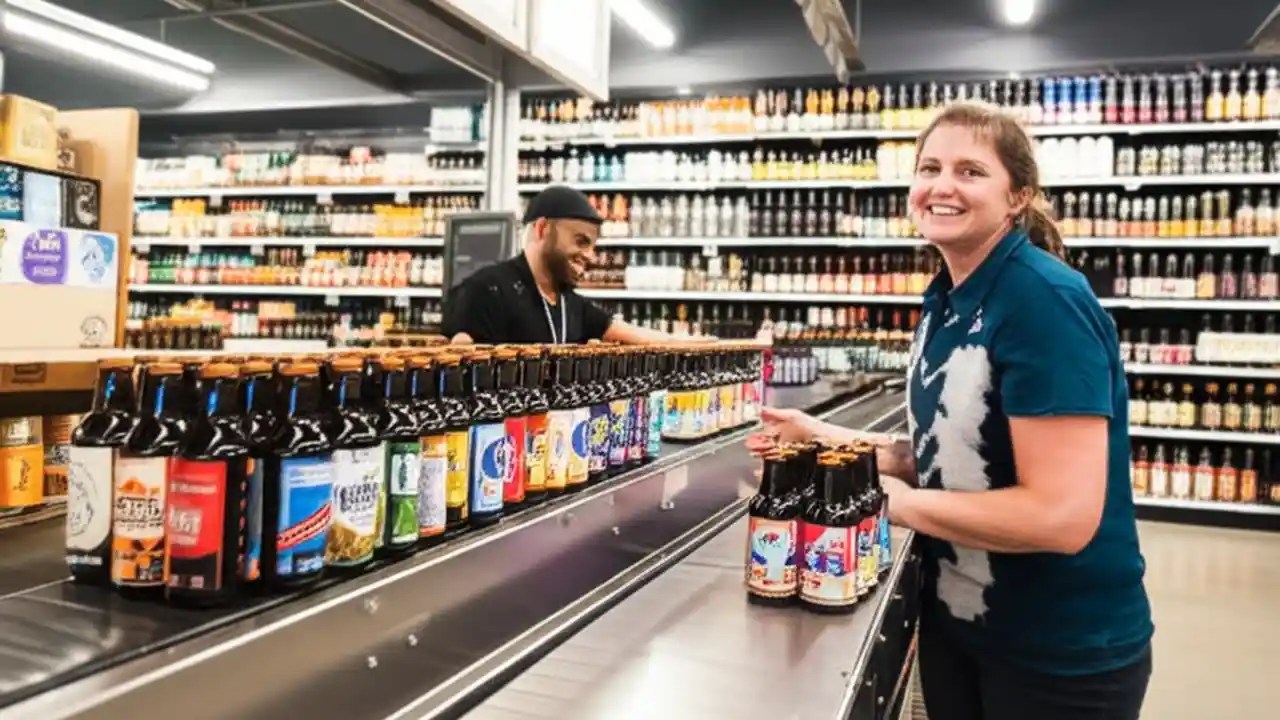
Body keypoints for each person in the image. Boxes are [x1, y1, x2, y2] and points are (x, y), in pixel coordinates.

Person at [747, 102, 1152, 720]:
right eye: (929, 167)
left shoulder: (1044, 302)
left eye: (970, 171)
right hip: (959, 623)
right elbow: (947, 459)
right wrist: (819, 435)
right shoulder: (947, 300)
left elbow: (1064, 516)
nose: (941, 186)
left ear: (1018, 195)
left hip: (1056, 653)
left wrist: (889, 504)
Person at [442, 185, 678, 345]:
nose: (589, 256)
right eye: (581, 241)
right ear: (542, 229)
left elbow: (652, 339)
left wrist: (711, 345)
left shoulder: (571, 305)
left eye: (593, 246)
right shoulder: (486, 290)